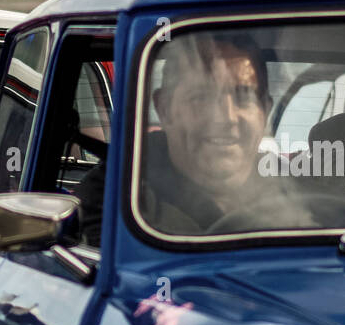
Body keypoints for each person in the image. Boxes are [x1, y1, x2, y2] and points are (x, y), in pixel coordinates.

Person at [78, 32, 282, 241]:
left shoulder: (292, 187)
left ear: (265, 110)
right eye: (202, 97)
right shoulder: (116, 194)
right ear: (164, 108)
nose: (226, 118)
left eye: (243, 96)